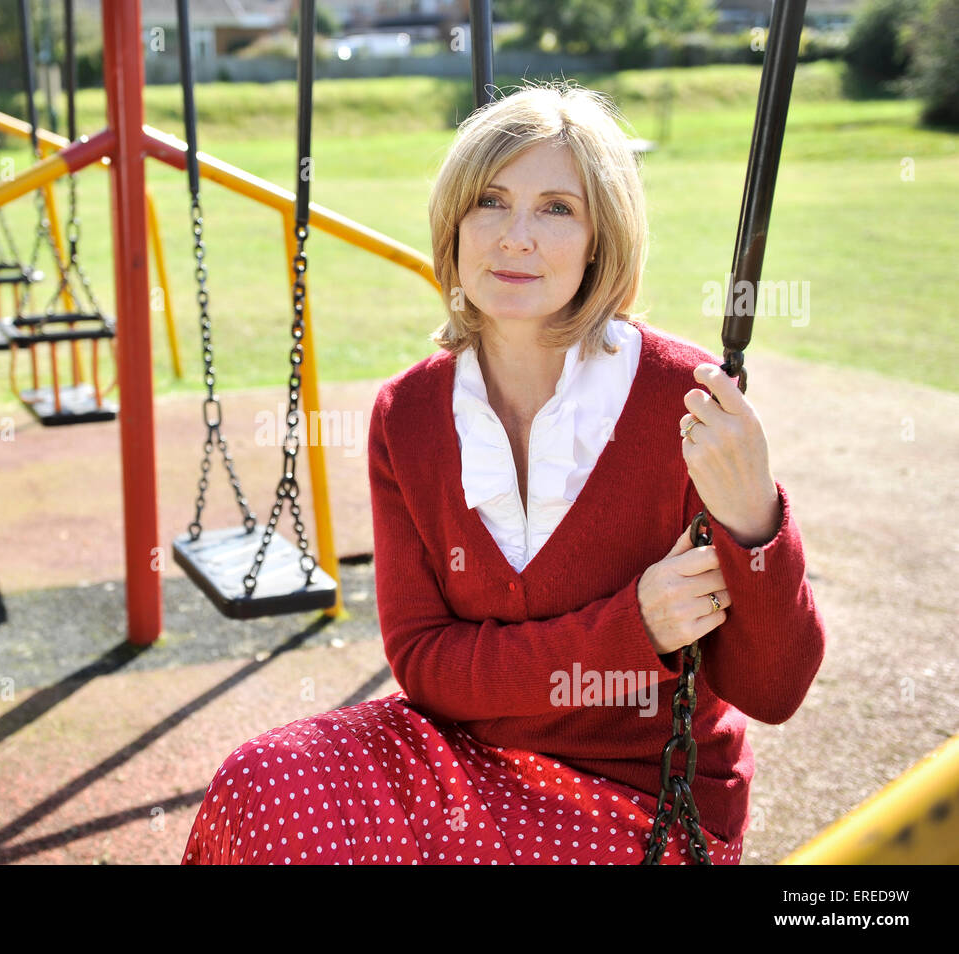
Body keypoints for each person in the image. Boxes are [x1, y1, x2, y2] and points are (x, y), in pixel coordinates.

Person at [180, 81, 825, 865]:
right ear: (454, 226)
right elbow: (424, 663)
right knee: (261, 787)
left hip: (637, 798)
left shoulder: (681, 404)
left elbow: (773, 690)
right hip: (456, 754)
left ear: (601, 239)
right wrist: (633, 631)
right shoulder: (408, 414)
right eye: (490, 201)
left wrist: (755, 518)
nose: (516, 236)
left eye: (558, 208)